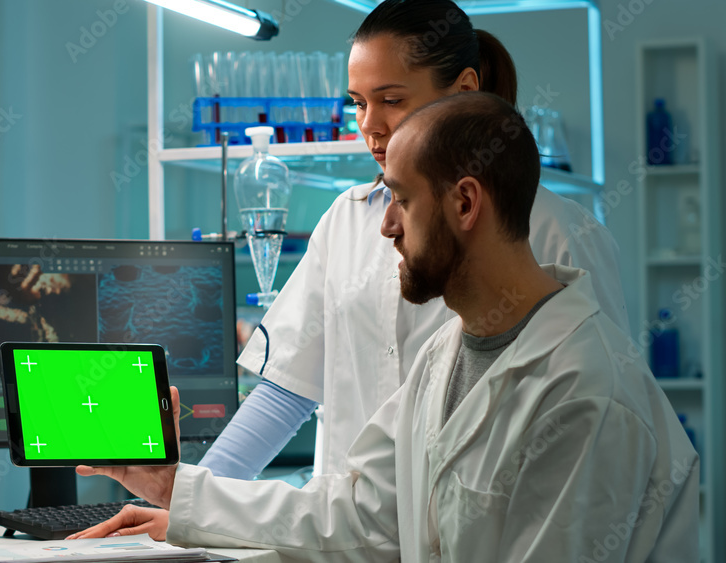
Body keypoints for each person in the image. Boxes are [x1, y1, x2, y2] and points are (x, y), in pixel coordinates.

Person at [72, 0, 630, 541]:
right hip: (345, 528)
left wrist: (194, 504)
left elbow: (594, 418)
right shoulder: (348, 219)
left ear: (463, 91)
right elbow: (287, 392)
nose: (370, 125)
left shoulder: (560, 233)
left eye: (391, 100)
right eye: (358, 103)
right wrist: (186, 503)